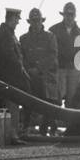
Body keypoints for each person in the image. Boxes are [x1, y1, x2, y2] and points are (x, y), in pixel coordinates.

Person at [0, 7, 32, 144]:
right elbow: (10, 57)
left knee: (13, 105)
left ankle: (13, 132)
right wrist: (21, 72)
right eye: (16, 19)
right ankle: (12, 134)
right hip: (10, 77)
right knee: (12, 105)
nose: (17, 22)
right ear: (10, 19)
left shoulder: (8, 33)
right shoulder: (6, 35)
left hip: (12, 76)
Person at [19, 7, 60, 136]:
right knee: (28, 102)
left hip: (46, 76)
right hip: (29, 75)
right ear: (29, 22)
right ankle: (26, 126)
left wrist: (39, 68)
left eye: (38, 21)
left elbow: (53, 56)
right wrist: (29, 70)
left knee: (49, 101)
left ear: (42, 21)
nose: (36, 23)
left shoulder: (50, 37)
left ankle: (48, 127)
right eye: (33, 21)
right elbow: (21, 56)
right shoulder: (23, 38)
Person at [48, 2, 80, 106]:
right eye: (67, 14)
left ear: (74, 15)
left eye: (71, 14)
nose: (69, 17)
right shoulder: (53, 30)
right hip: (59, 69)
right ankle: (56, 121)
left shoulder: (79, 31)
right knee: (57, 98)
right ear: (63, 15)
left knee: (72, 99)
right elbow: (49, 51)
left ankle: (69, 121)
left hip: (74, 70)